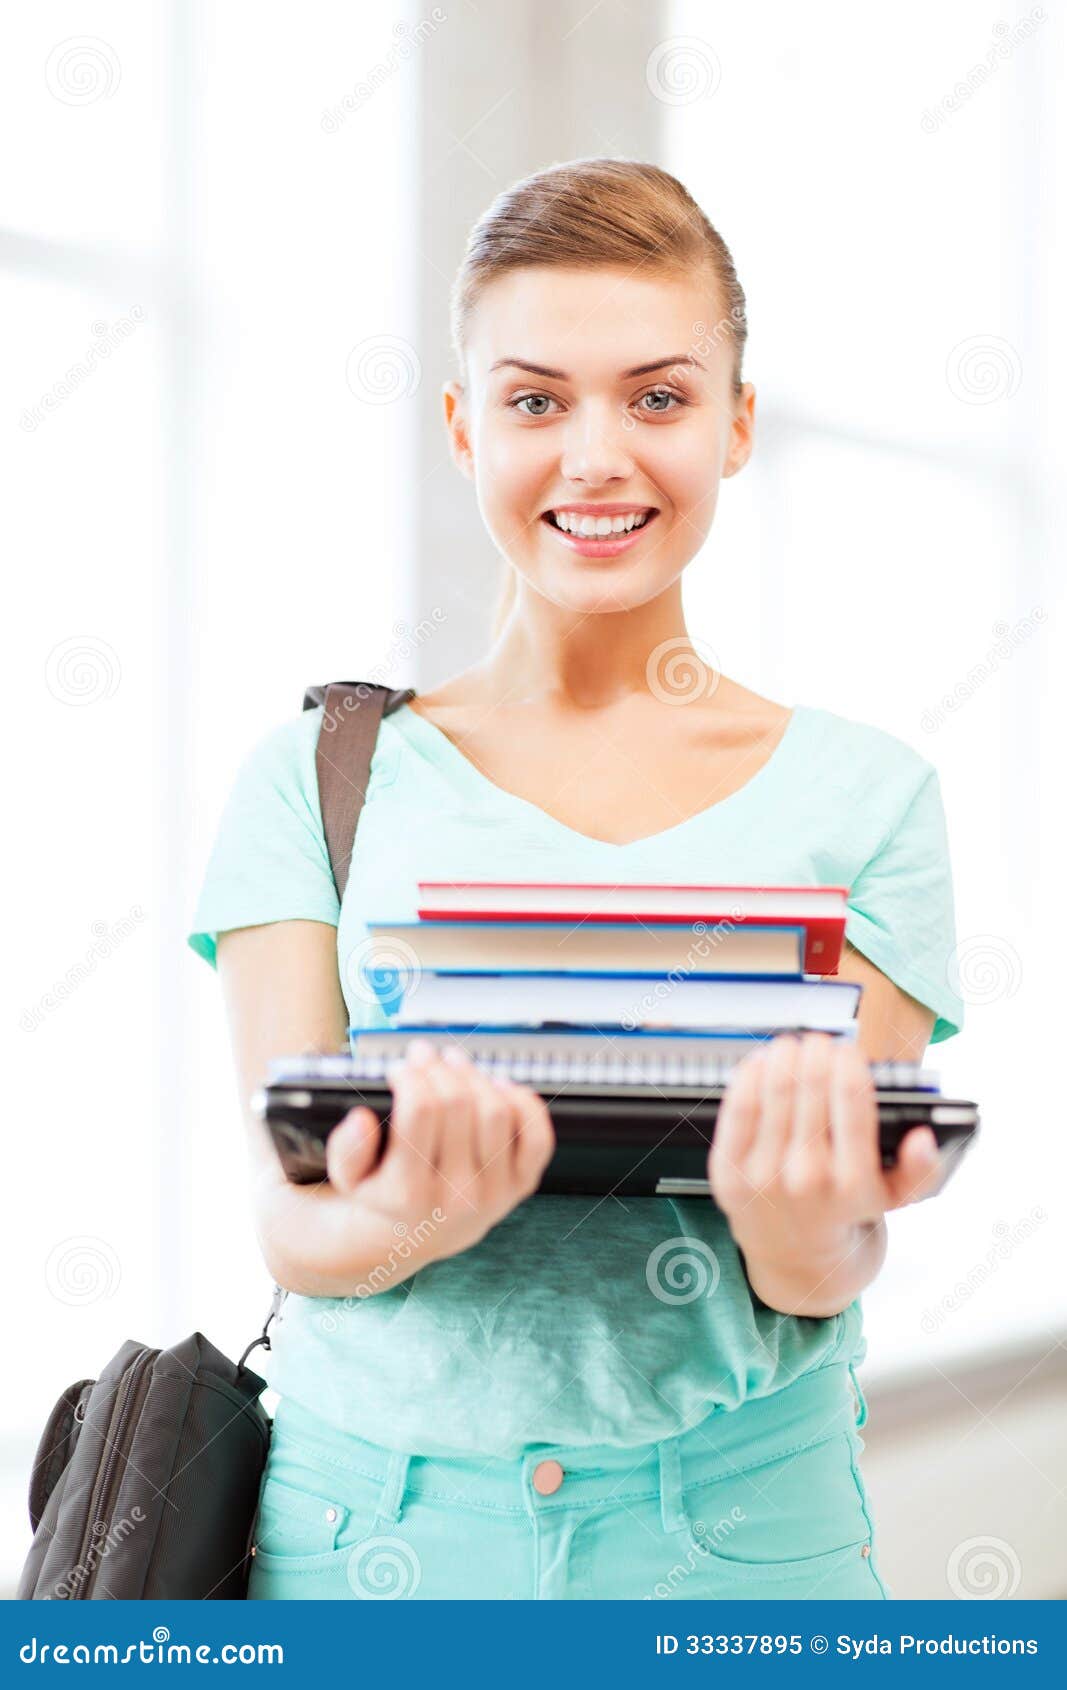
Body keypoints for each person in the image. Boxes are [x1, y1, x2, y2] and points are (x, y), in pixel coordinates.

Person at [188, 158, 964, 1601]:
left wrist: (800, 1221)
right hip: (369, 1549)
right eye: (537, 401)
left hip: (743, 1550)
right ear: (463, 428)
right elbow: (291, 1222)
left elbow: (826, 1261)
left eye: (658, 397)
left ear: (736, 423)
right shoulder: (315, 780)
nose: (597, 457)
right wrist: (423, 1212)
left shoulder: (871, 799)